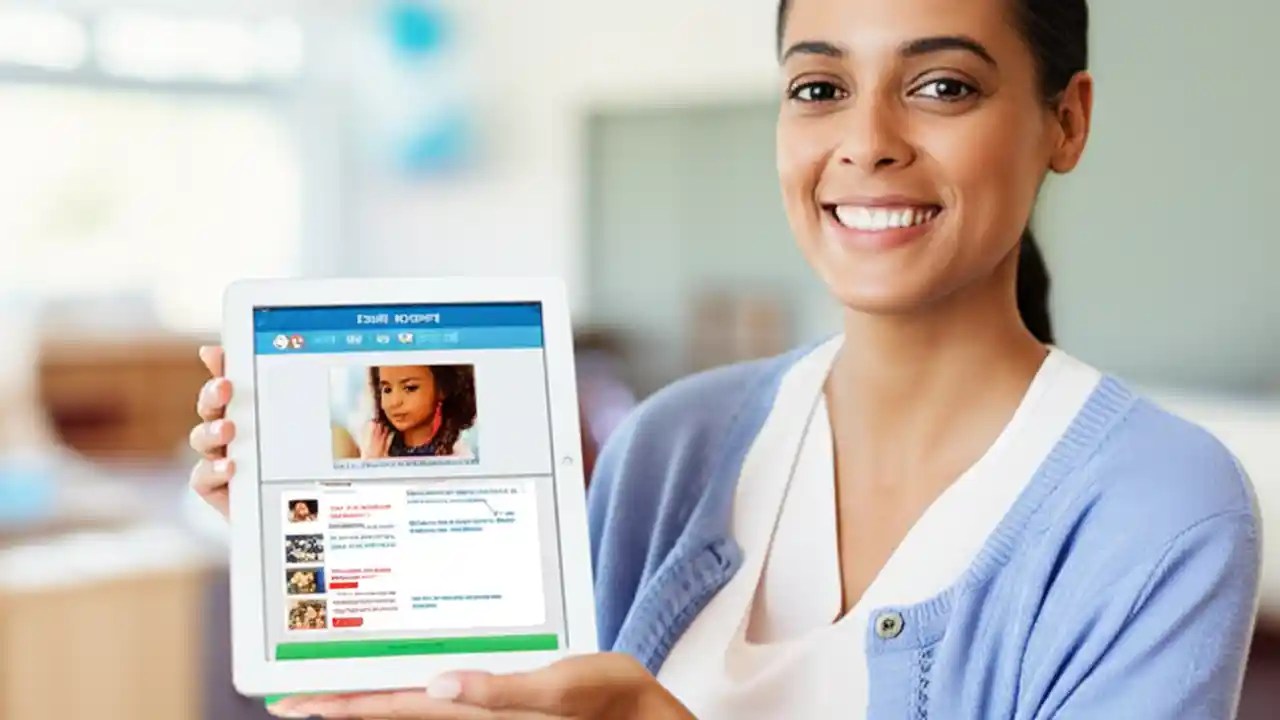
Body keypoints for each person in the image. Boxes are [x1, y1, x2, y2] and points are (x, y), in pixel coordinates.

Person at [190, 0, 1261, 716]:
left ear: (1063, 122)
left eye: (940, 86)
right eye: (816, 88)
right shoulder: (673, 442)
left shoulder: (1155, 506)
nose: (866, 139)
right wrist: (332, 557)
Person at [361, 365, 477, 460]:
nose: (394, 402)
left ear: (442, 389)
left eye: (410, 388)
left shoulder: (458, 453)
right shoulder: (374, 444)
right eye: (387, 390)